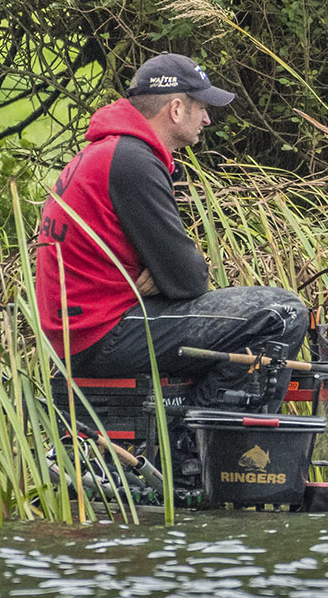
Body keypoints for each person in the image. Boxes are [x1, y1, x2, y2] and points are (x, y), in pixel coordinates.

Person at [32, 52, 304, 411]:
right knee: (283, 312)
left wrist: (162, 276)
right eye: (202, 106)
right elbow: (189, 279)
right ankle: (203, 444)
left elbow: (174, 275)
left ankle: (183, 429)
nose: (207, 118)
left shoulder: (112, 152)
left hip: (86, 333)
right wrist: (164, 276)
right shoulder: (132, 161)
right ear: (176, 109)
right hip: (103, 335)